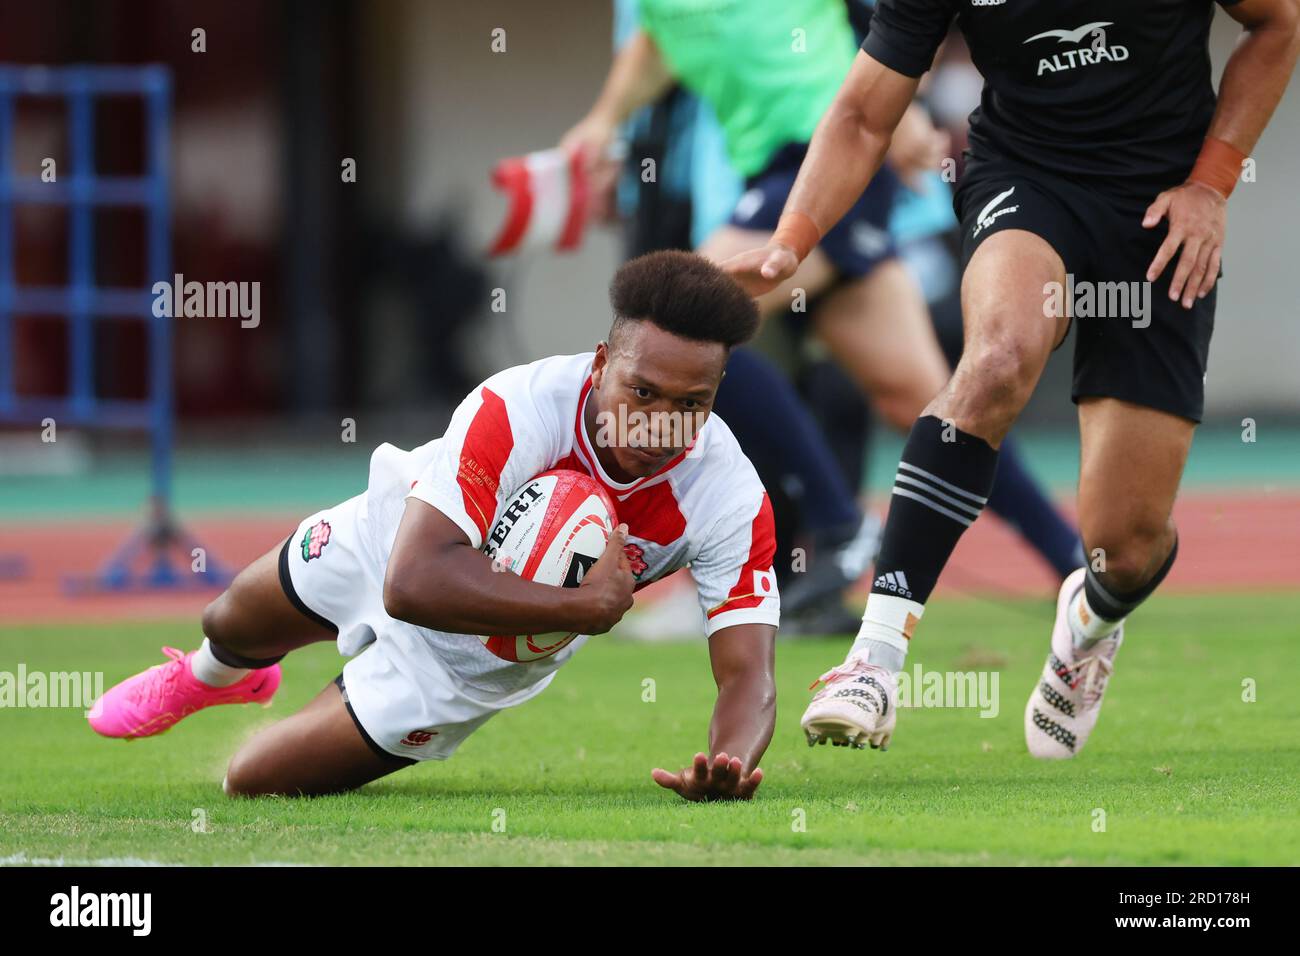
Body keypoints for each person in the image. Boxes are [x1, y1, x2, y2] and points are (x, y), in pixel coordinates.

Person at [724, 0, 1300, 757]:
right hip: (1027, 179)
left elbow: (1278, 21)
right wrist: (792, 241)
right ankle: (872, 661)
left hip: (1162, 206)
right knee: (996, 356)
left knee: (1124, 548)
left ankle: (1090, 619)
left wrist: (1211, 185)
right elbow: (866, 113)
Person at [88, 251, 780, 801]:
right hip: (392, 538)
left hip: (468, 668)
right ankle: (216, 675)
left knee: (250, 780)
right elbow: (412, 582)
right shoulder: (519, 406)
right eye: (642, 390)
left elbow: (748, 674)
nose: (659, 422)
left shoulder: (728, 495)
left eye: (692, 403)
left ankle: (267, 691)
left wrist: (729, 762)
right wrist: (584, 606)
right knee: (228, 620)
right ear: (601, 364)